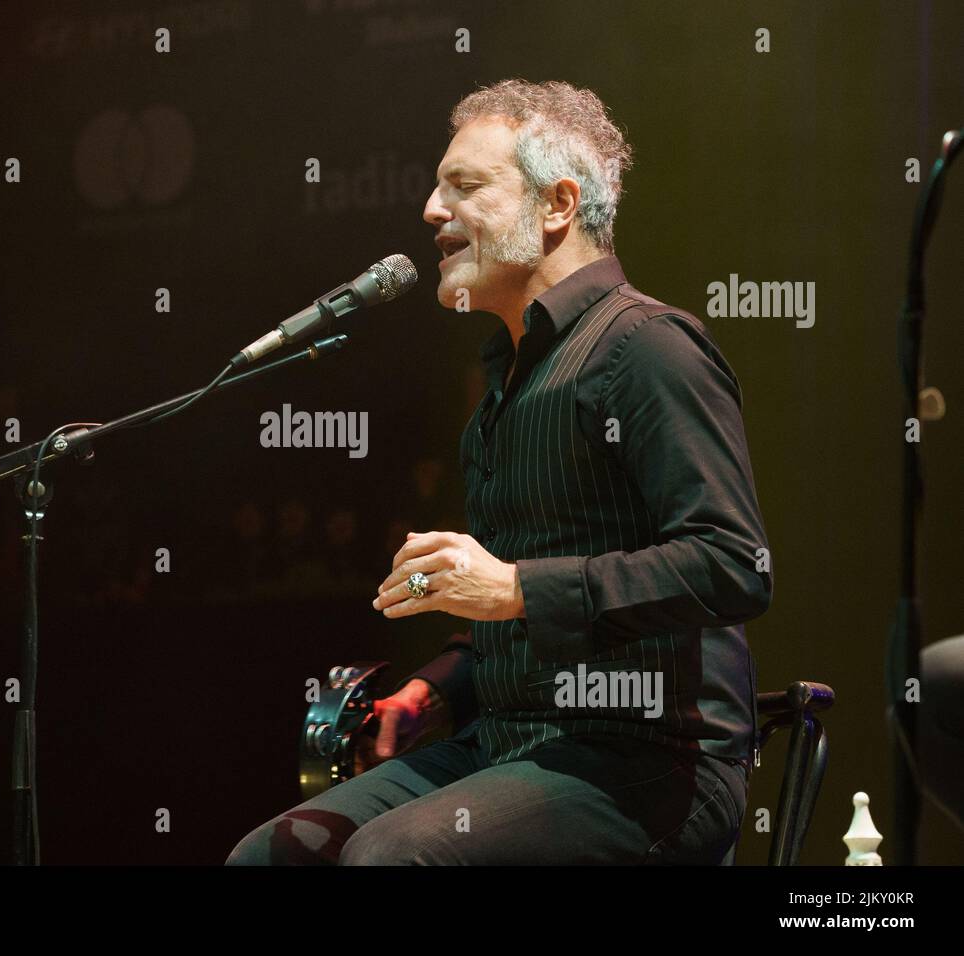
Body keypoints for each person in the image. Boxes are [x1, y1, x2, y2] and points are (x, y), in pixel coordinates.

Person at [226, 79, 772, 865]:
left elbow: (733, 565)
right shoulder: (508, 380)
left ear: (557, 204)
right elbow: (518, 604)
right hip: (510, 745)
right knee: (269, 857)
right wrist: (437, 690)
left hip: (648, 763)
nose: (429, 210)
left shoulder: (647, 347)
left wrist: (513, 587)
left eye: (465, 186)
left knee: (389, 859)